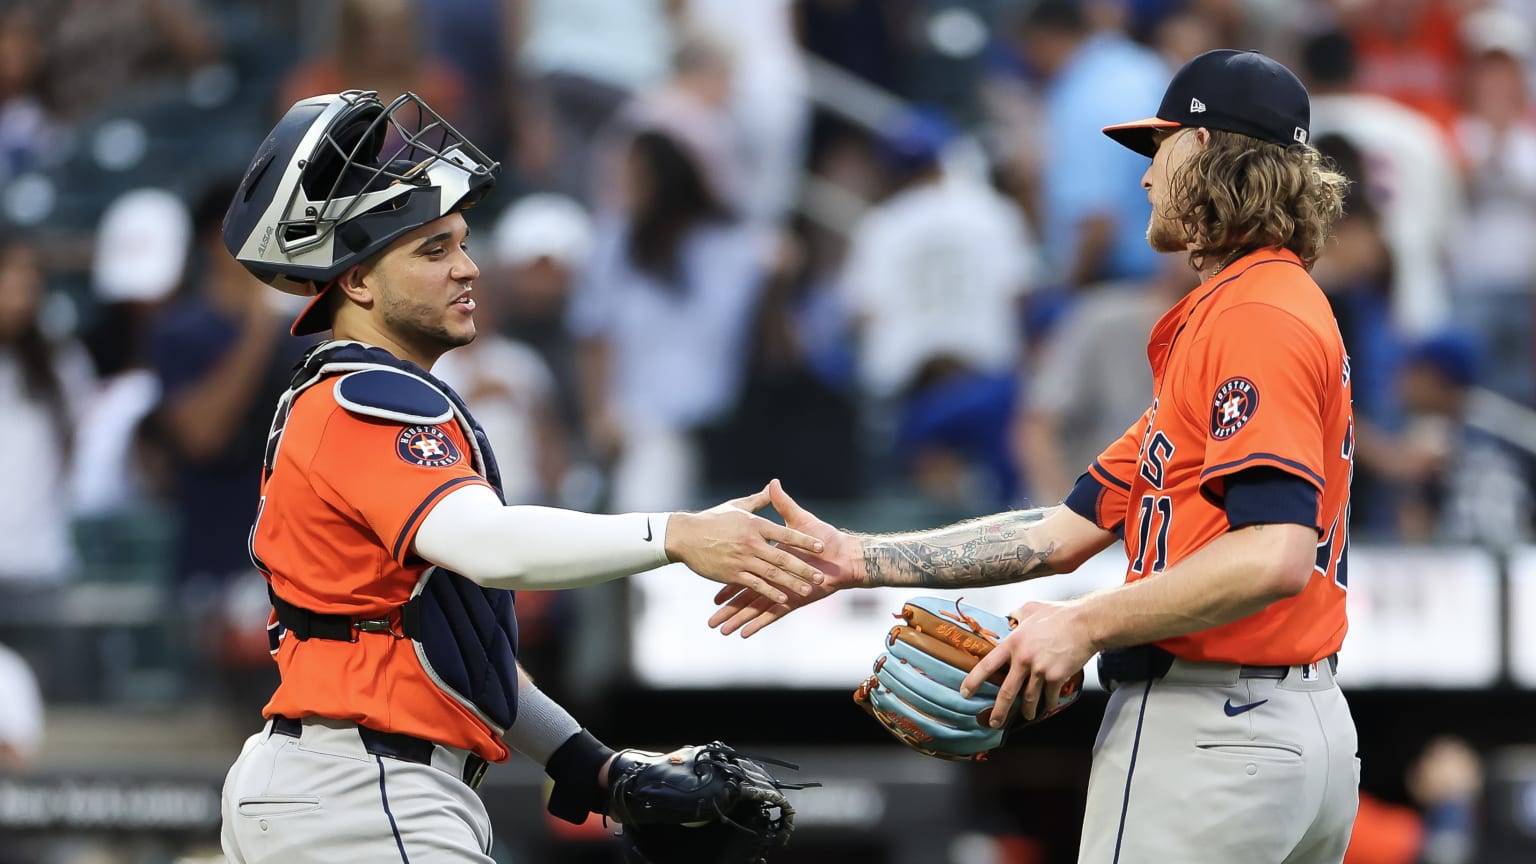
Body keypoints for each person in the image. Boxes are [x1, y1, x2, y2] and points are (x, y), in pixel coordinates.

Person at [713, 49, 1360, 863]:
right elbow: (1061, 529)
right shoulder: (1258, 307)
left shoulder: (1256, 315)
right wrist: (856, 558)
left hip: (1210, 736)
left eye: (1158, 149)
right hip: (1292, 732)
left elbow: (1274, 554)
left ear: (1203, 150)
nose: (1145, 178)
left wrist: (1085, 623)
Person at [216, 90, 826, 863]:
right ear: (359, 282)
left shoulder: (353, 391)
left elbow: (453, 645)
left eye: (464, 244)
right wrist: (676, 534)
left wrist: (591, 766)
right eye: (432, 251)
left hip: (343, 784)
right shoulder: (369, 396)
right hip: (366, 793)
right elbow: (492, 548)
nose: (469, 269)